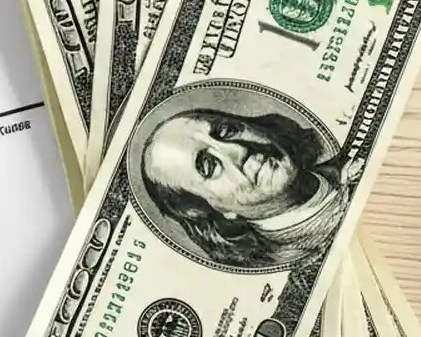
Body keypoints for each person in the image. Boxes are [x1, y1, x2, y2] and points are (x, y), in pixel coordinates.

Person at [140, 108, 362, 269]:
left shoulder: (351, 149)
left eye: (226, 131)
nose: (238, 150)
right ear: (217, 212)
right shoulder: (303, 263)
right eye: (209, 166)